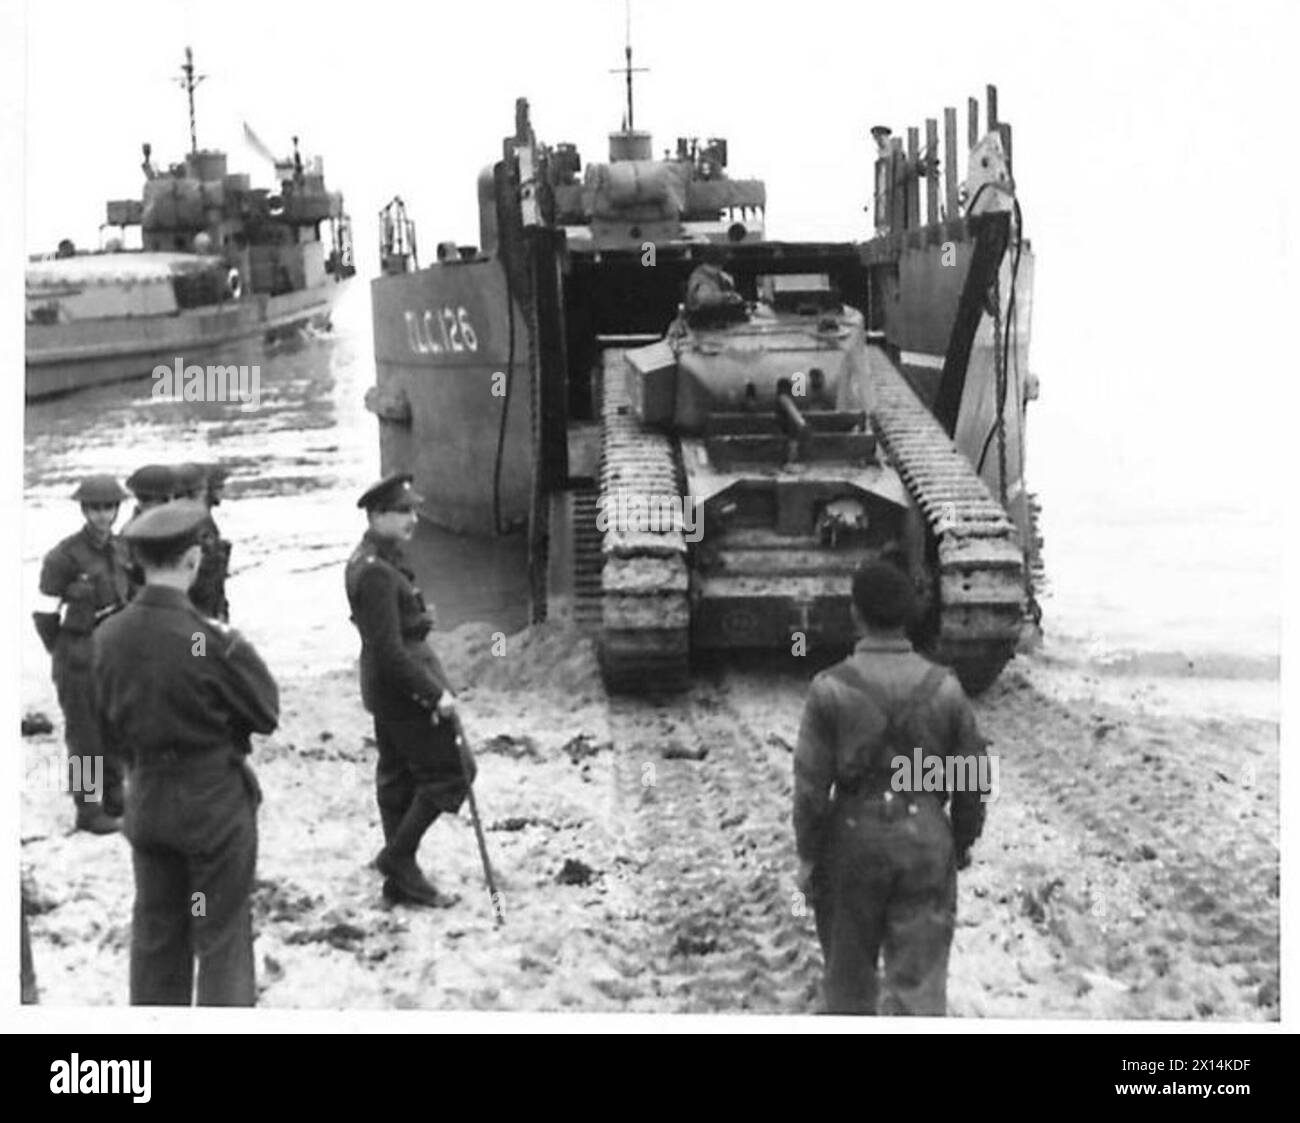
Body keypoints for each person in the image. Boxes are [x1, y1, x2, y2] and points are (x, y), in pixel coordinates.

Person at [92, 500, 278, 1005]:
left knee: (157, 934)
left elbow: (101, 720)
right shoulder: (207, 640)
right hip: (210, 801)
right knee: (219, 933)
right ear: (193, 560)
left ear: (137, 562)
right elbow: (265, 713)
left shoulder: (108, 634)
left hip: (147, 797)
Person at [793, 560, 988, 1015]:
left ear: (855, 614)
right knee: (919, 990)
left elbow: (810, 791)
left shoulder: (829, 689)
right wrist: (957, 844)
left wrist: (807, 856)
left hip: (852, 841)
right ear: (910, 614)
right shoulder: (947, 689)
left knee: (847, 985)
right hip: (926, 840)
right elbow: (972, 782)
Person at [344, 473, 474, 908]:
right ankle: (397, 858)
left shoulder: (380, 560)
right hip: (402, 688)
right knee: (454, 771)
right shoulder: (375, 572)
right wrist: (432, 694)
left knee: (397, 779)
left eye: (414, 510)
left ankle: (403, 884)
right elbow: (387, 649)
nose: (413, 519)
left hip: (389, 687)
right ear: (377, 514)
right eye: (403, 512)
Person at [36, 475, 134, 832]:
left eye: (108, 507)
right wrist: (62, 650)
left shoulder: (124, 549)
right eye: (95, 508)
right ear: (84, 510)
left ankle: (113, 797)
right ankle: (88, 810)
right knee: (84, 735)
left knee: (114, 727)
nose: (102, 516)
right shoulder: (63, 557)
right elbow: (43, 613)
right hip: (77, 652)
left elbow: (133, 597)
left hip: (113, 652)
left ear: (117, 510)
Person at [172, 462, 231, 621]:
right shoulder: (196, 524)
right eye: (219, 487)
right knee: (199, 646)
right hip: (198, 614)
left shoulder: (200, 521)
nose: (223, 492)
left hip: (205, 611)